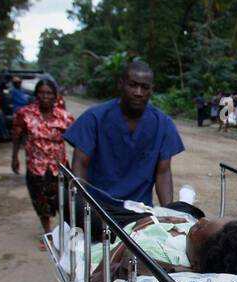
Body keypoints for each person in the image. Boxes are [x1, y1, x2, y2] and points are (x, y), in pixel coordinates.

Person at [64, 60, 184, 233]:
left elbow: (163, 172)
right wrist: (80, 207)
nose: (138, 93)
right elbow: (80, 164)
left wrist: (169, 214)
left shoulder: (163, 124)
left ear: (151, 89)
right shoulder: (94, 118)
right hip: (99, 208)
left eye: (145, 87)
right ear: (121, 84)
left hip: (139, 212)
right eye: (133, 85)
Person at [90, 209, 237, 282]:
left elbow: (98, 279)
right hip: (162, 215)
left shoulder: (155, 259)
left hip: (123, 229)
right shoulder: (203, 245)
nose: (202, 220)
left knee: (87, 208)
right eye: (209, 220)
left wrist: (147, 223)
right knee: (185, 207)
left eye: (198, 228)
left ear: (196, 264)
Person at [11, 76, 75, 243]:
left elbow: (77, 140)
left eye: (49, 93)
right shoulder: (25, 114)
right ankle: (48, 234)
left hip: (59, 167)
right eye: (41, 93)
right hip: (36, 166)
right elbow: (17, 135)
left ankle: (67, 233)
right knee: (40, 201)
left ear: (55, 96)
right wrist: (14, 157)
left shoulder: (65, 117)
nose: (45, 96)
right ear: (36, 94)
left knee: (64, 201)